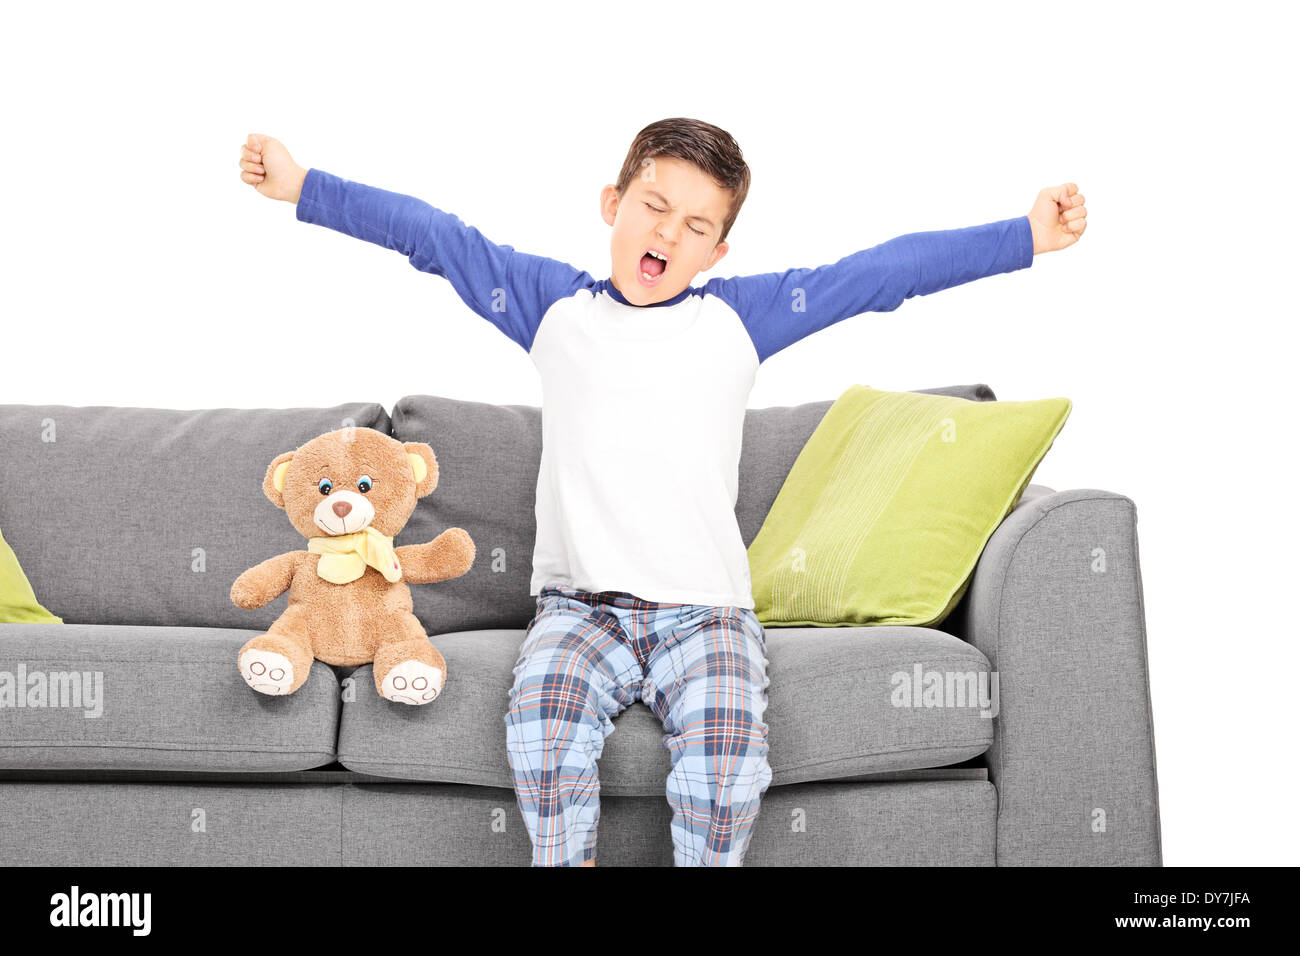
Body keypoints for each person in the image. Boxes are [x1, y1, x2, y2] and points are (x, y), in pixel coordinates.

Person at [238, 117, 1086, 866]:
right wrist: (303, 186)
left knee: (725, 772)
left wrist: (1024, 236)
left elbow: (880, 274)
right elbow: (435, 237)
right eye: (653, 206)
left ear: (717, 251)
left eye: (696, 225)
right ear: (612, 202)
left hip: (706, 614)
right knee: (544, 737)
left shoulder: (741, 320)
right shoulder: (551, 308)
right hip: (579, 611)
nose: (667, 235)